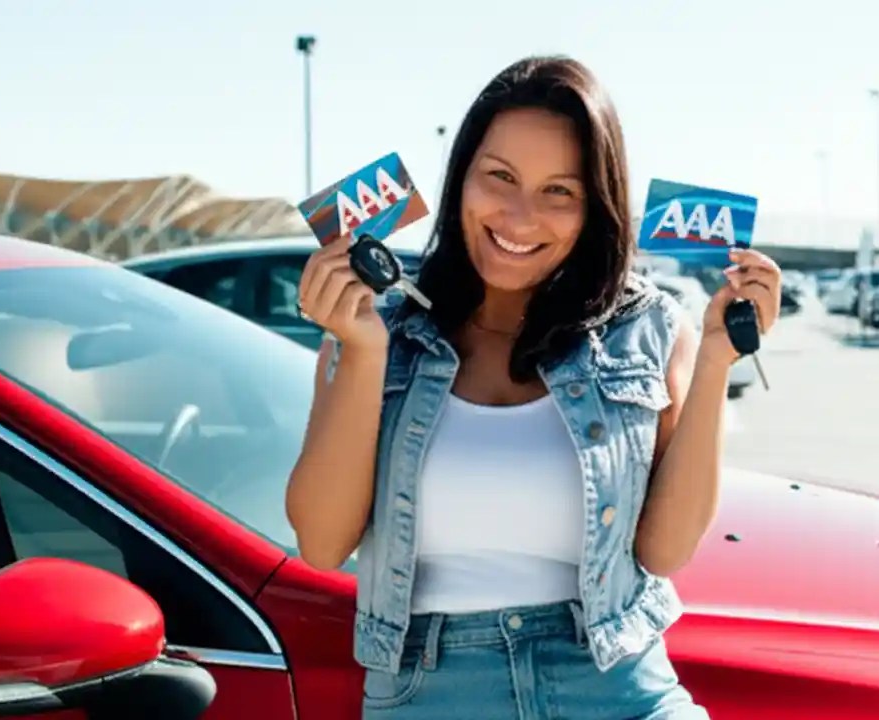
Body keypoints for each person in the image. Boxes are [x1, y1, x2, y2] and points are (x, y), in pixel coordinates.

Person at [286, 54, 781, 719]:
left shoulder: (652, 330)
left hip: (614, 684)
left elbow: (666, 551)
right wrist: (365, 350)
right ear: (461, 178)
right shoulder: (377, 331)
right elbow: (321, 543)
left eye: (560, 192)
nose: (520, 217)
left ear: (594, 209)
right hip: (434, 693)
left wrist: (718, 361)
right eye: (500, 178)